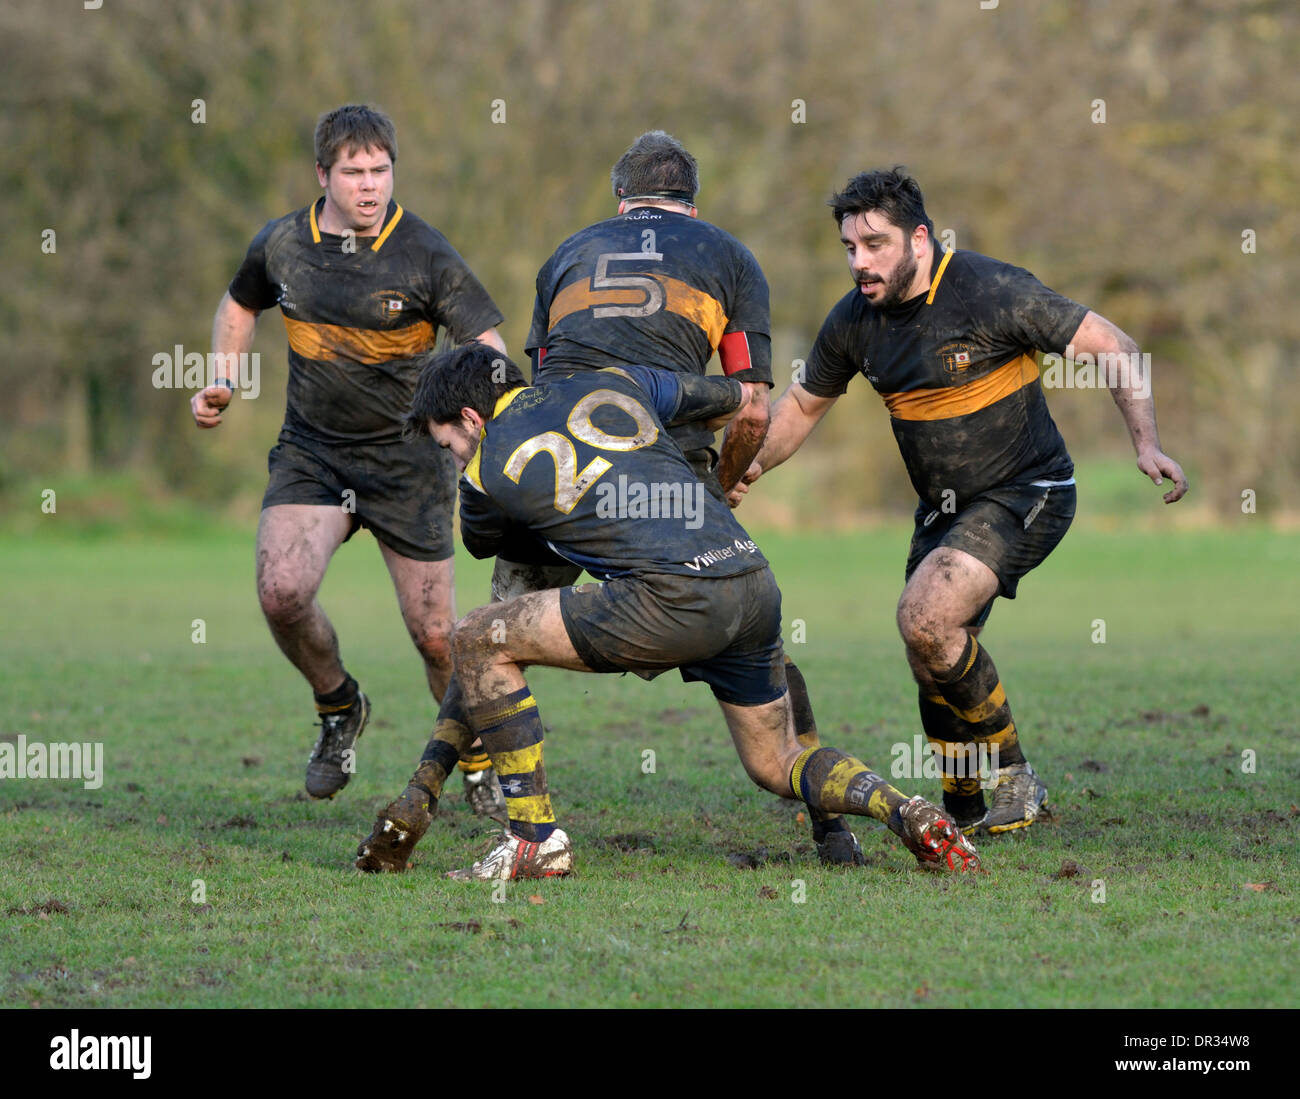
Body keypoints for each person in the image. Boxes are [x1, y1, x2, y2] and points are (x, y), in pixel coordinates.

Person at [356, 131, 863, 868]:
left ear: (620, 200)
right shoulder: (730, 257)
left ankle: (419, 802)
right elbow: (751, 407)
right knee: (751, 634)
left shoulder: (566, 252)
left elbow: (522, 394)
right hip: (659, 465)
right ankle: (831, 826)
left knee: (490, 635)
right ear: (692, 204)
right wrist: (725, 488)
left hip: (545, 460)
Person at [355, 341, 982, 880]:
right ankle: (907, 811)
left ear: (471, 417)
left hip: (668, 599)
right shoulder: (612, 381)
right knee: (776, 761)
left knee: (476, 637)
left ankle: (533, 840)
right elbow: (729, 397)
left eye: (449, 445)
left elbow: (482, 541)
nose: (455, 459)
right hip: (750, 578)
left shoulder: (486, 471)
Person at [734, 167, 1188, 835]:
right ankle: (964, 813)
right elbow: (800, 407)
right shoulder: (855, 322)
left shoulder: (990, 290)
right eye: (850, 248)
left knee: (926, 615)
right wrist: (743, 469)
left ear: (920, 238)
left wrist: (1145, 442)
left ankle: (1016, 776)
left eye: (876, 244)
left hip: (1029, 490)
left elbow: (1113, 346)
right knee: (933, 656)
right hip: (945, 511)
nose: (860, 262)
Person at [190, 104, 509, 804]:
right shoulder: (282, 245)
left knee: (434, 638)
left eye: (381, 170)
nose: (370, 186)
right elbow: (240, 304)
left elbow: (487, 346)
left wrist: (489, 416)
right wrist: (222, 378)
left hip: (408, 464)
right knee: (281, 593)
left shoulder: (425, 252)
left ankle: (477, 754)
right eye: (354, 172)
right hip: (313, 454)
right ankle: (339, 707)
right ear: (322, 175)